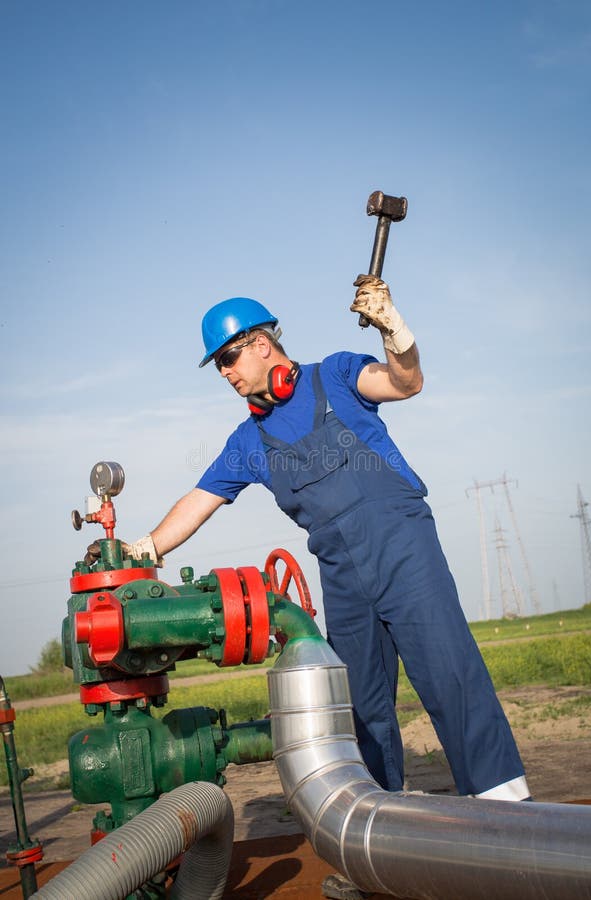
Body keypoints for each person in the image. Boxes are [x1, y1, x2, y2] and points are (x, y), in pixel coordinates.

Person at [87, 276, 530, 896]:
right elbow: (200, 498)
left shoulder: (338, 376)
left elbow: (405, 382)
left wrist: (393, 327)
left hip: (403, 547)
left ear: (264, 343)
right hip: (341, 572)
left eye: (230, 357)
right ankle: (380, 851)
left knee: (451, 676)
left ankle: (511, 831)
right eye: (218, 364)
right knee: (360, 710)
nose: (225, 373)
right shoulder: (250, 439)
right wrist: (147, 548)